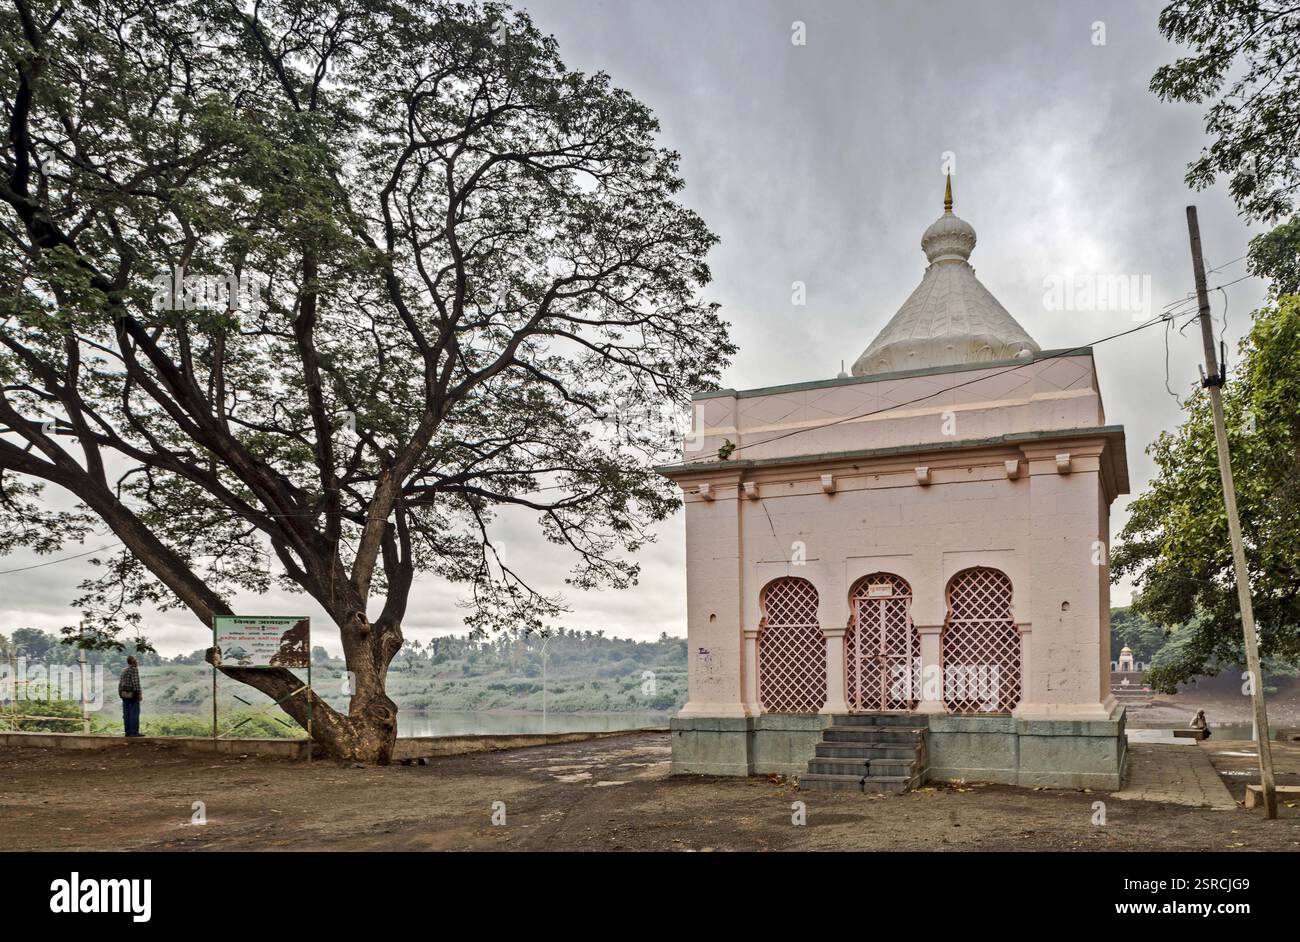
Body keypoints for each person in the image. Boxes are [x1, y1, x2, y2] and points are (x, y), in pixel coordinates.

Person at [118, 655, 143, 737]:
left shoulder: (124, 670)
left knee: (126, 714)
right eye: (136, 660)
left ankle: (127, 732)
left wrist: (120, 694)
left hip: (124, 694)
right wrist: (139, 694)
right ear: (133, 662)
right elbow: (136, 683)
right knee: (134, 713)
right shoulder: (134, 670)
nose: (137, 662)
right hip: (133, 694)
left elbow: (120, 683)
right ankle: (134, 732)